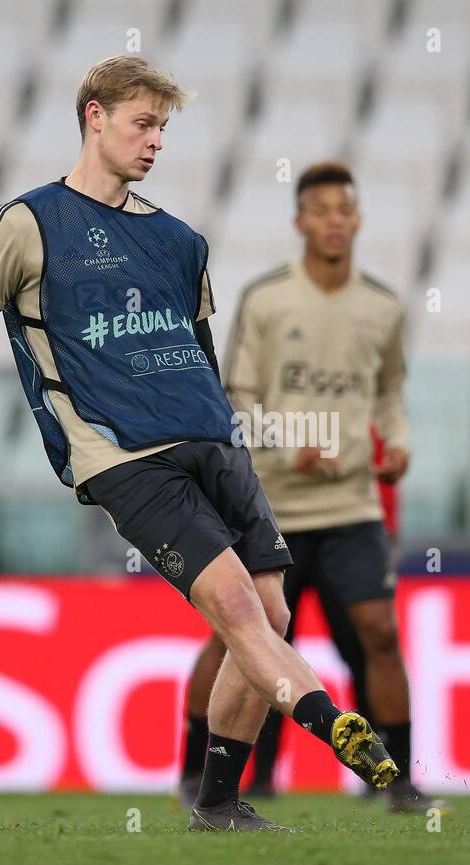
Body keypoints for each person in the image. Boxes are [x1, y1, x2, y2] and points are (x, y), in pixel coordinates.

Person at [0, 56, 398, 832]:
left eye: (162, 128)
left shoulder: (181, 242)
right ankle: (333, 725)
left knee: (272, 616)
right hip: (124, 457)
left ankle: (217, 804)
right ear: (94, 116)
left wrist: (232, 438)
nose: (155, 142)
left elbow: (200, 352)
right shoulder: (29, 221)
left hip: (213, 444)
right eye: (141, 124)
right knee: (238, 610)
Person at [176, 162, 445, 813]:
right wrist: (286, 445)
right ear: (300, 222)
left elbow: (387, 395)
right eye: (319, 209)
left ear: (356, 220)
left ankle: (399, 781)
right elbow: (233, 397)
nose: (333, 220)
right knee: (239, 634)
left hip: (351, 505)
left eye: (343, 209)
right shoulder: (268, 300)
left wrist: (398, 441)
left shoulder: (381, 307)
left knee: (380, 632)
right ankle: (195, 772)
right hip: (268, 502)